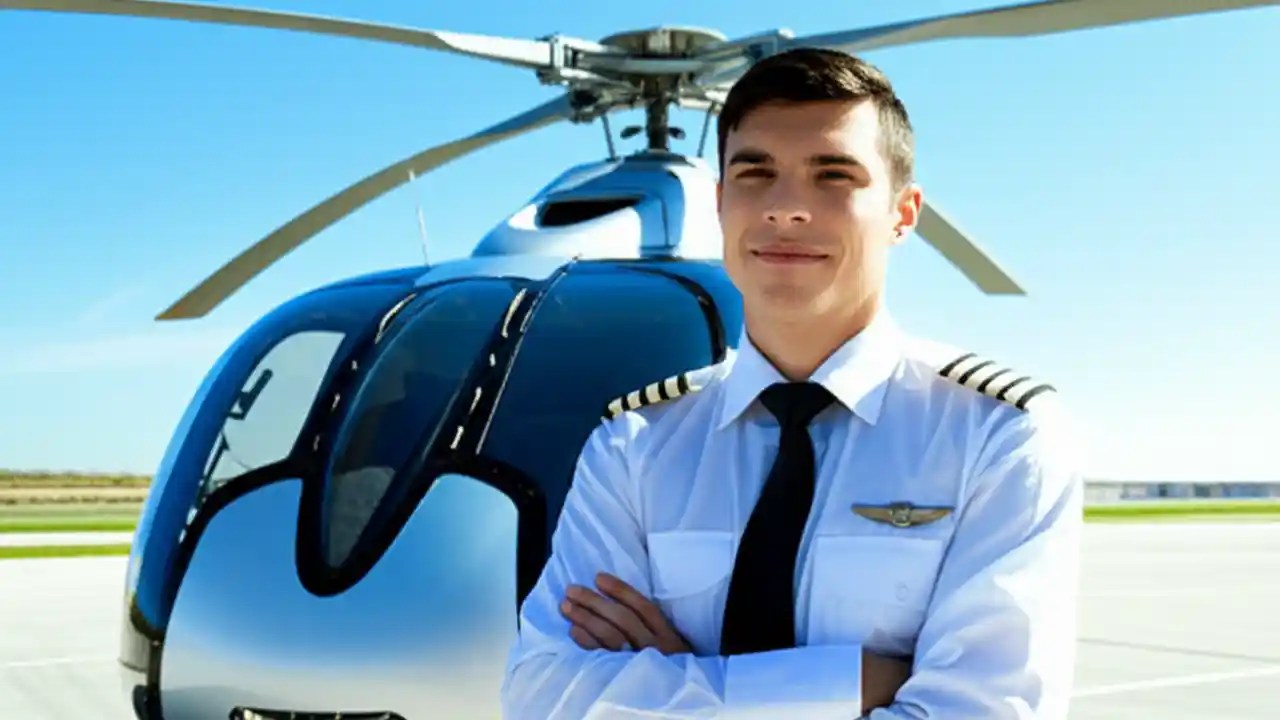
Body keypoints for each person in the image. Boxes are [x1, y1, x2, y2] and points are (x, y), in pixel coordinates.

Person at [501, 47, 1084, 719]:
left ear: (902, 214)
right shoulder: (633, 443)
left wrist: (677, 678)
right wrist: (848, 686)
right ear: (720, 204)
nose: (785, 208)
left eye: (832, 175)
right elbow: (542, 696)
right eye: (756, 173)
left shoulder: (998, 436)